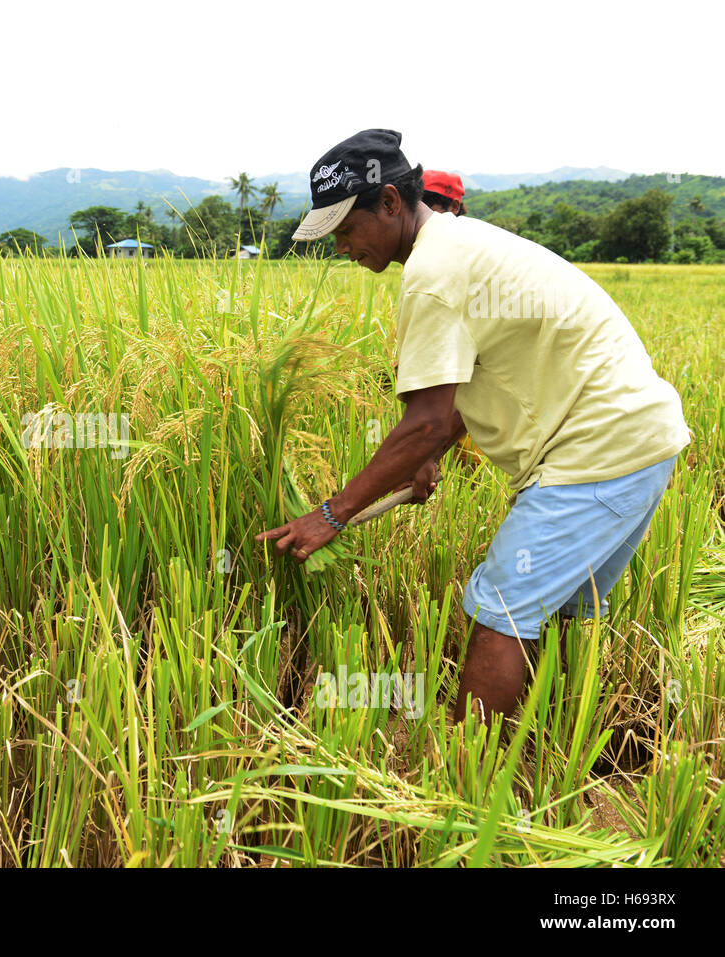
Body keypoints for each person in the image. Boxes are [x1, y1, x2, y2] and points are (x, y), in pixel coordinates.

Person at [257, 129, 691, 725]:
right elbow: (469, 384)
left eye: (345, 229)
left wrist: (331, 514)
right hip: (641, 438)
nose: (340, 246)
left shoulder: (434, 274)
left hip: (596, 449)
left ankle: (463, 782)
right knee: (561, 609)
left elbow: (425, 421)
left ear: (389, 203)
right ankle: (549, 743)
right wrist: (430, 453)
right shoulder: (459, 245)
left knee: (501, 609)